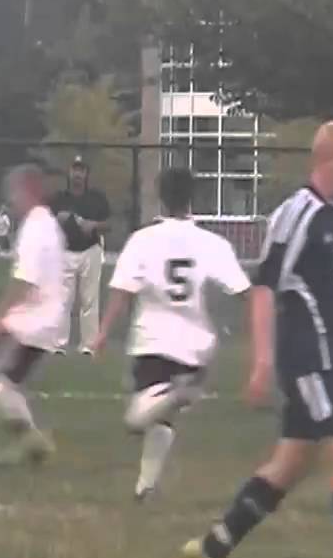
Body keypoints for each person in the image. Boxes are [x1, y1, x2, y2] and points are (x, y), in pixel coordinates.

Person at [181, 122, 333, 558]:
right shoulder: (297, 214)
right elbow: (265, 289)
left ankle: (215, 546)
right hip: (310, 356)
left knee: (291, 463)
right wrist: (262, 360)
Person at [88, 168, 252, 501]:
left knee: (140, 415)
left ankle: (172, 394)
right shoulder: (211, 242)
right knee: (162, 418)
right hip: (195, 343)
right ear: (192, 198)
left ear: (160, 196)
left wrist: (103, 332)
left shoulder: (143, 239)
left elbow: (122, 290)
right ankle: (146, 486)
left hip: (152, 338)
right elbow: (243, 290)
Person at [0, 164, 64, 465]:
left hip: (32, 323)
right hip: (38, 320)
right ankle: (30, 441)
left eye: (14, 192)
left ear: (29, 190)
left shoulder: (36, 227)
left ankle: (33, 440)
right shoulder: (45, 223)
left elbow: (24, 281)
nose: (10, 200)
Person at [50, 156, 111, 355]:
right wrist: (58, 220)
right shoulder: (59, 199)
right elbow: (47, 223)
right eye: (75, 169)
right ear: (69, 172)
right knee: (62, 300)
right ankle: (59, 344)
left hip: (90, 250)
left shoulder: (96, 199)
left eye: (81, 170)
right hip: (65, 251)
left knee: (90, 300)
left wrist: (94, 225)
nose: (78, 174)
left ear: (86, 174)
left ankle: (88, 345)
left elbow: (109, 224)